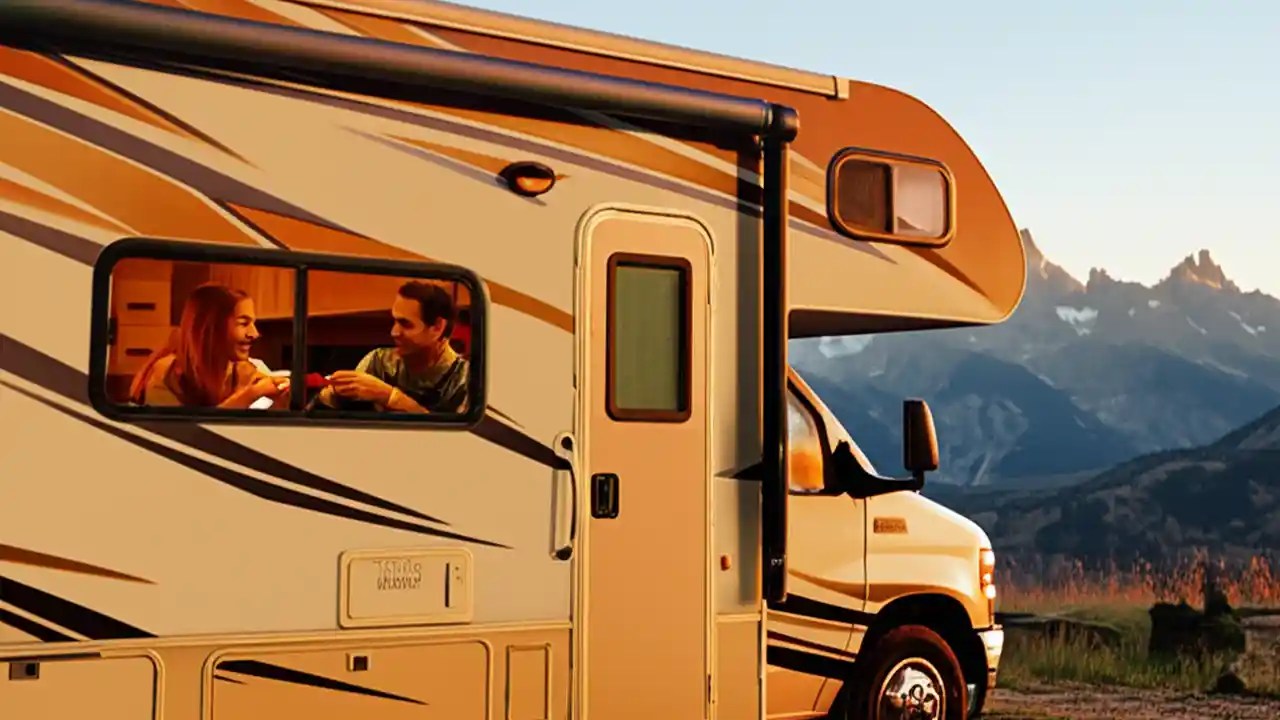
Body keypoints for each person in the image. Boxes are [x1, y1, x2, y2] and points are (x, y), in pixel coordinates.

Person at [312, 280, 469, 414]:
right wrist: (330, 394)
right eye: (394, 321)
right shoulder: (378, 362)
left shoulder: (466, 379)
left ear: (437, 327)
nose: (394, 332)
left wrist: (390, 397)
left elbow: (453, 436)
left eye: (405, 324)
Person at [128, 282, 290, 409]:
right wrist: (251, 394)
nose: (254, 333)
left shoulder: (245, 369)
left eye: (253, 323)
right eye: (243, 323)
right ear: (211, 328)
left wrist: (283, 399)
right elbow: (190, 434)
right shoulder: (166, 376)